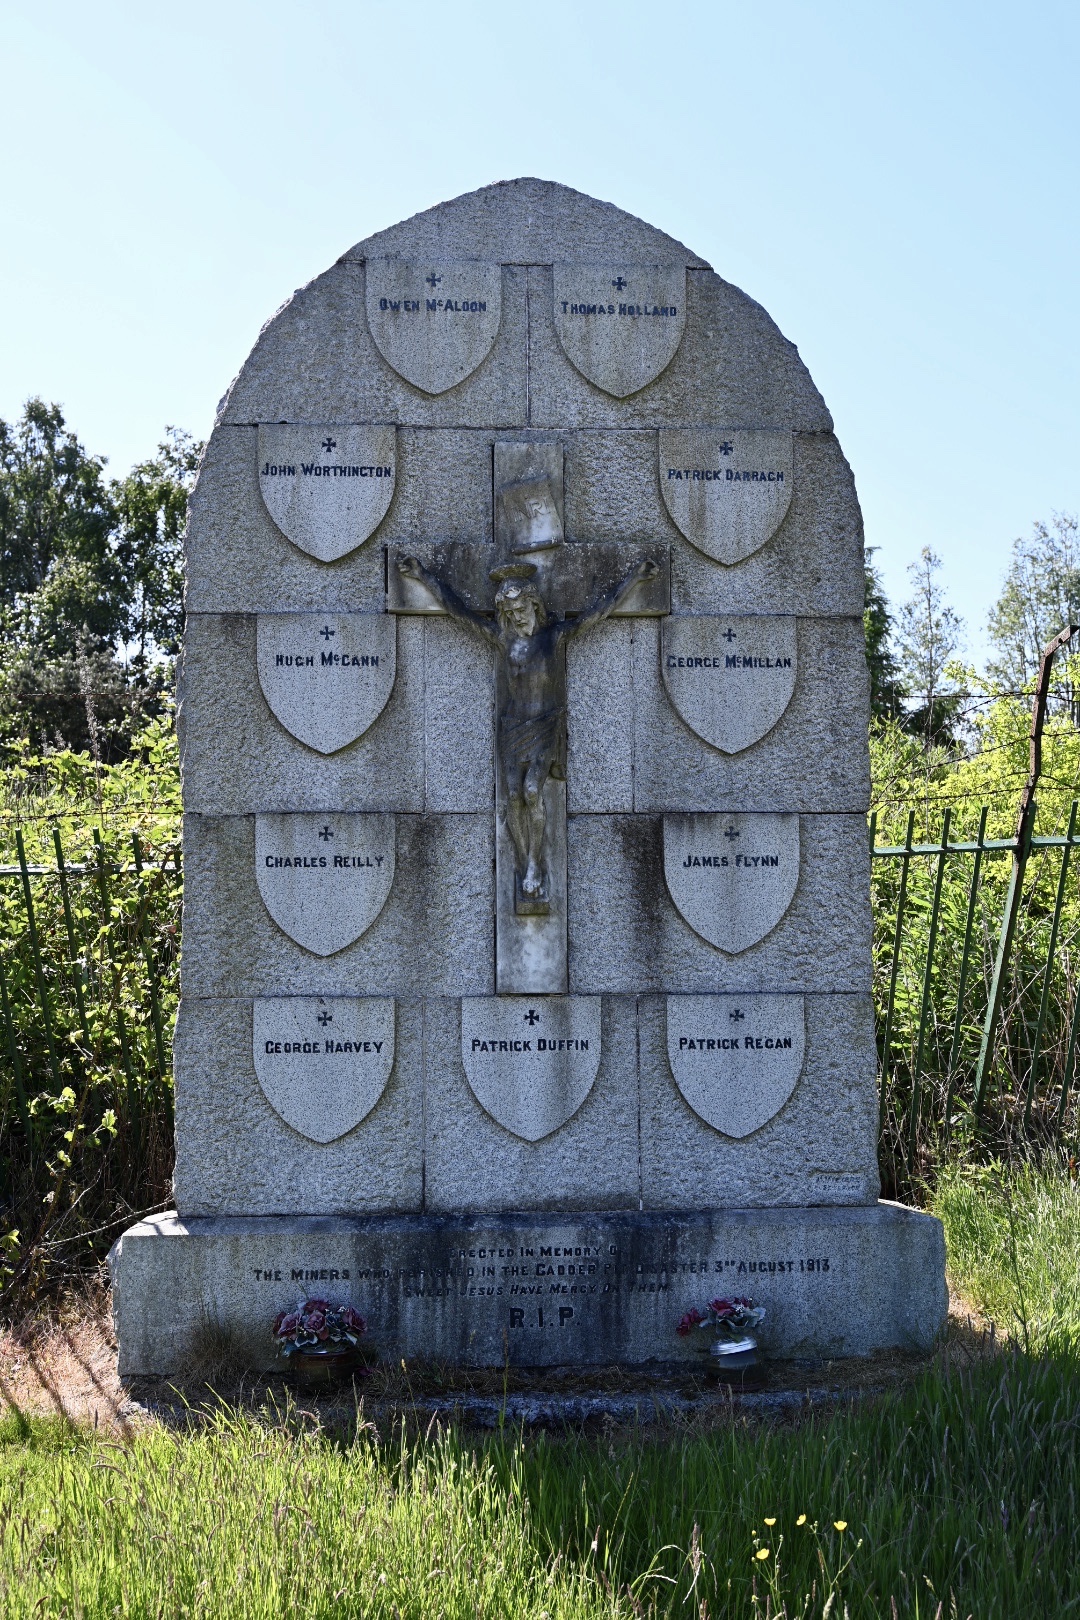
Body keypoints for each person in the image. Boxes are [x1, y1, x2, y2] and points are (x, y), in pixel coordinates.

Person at [396, 551, 658, 911]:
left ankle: (536, 863)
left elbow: (599, 611)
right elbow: (460, 613)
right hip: (512, 728)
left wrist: (635, 579)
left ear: (534, 604)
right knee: (514, 796)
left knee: (533, 790)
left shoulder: (554, 637)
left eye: (522, 609)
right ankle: (525, 863)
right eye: (510, 612)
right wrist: (422, 576)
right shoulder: (505, 641)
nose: (517, 617)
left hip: (545, 726)